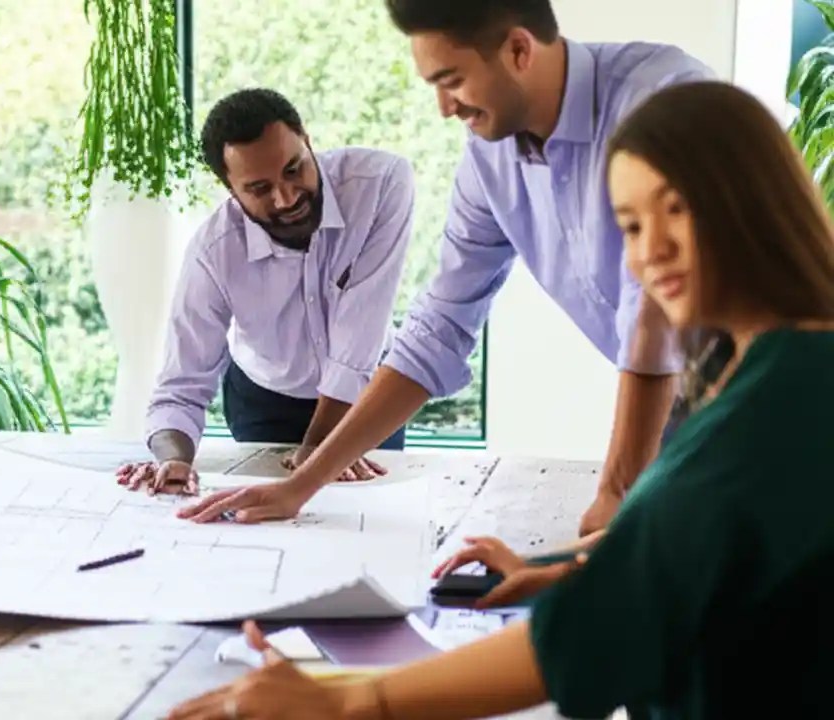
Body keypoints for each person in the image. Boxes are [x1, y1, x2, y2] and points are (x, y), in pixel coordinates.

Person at [166, 79, 834, 720]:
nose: (648, 253)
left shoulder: (785, 395)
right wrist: (570, 565)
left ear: (752, 197)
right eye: (630, 226)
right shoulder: (754, 371)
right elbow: (705, 544)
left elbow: (591, 633)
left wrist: (344, 704)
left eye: (676, 210)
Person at [178, 0, 715, 533]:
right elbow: (439, 328)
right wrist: (303, 484)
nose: (444, 107)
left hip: (751, 402)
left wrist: (617, 494)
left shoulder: (660, 101)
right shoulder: (490, 159)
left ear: (518, 49)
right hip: (680, 420)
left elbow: (653, 318)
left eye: (451, 81)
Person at [116, 88, 416, 495]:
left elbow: (359, 334)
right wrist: (173, 461)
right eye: (259, 189)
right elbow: (180, 387)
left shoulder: (380, 184)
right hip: (265, 401)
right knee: (273, 520)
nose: (286, 198)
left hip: (365, 396)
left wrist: (320, 450)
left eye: (294, 169)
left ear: (307, 141)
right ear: (231, 190)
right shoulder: (213, 252)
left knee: (368, 507)